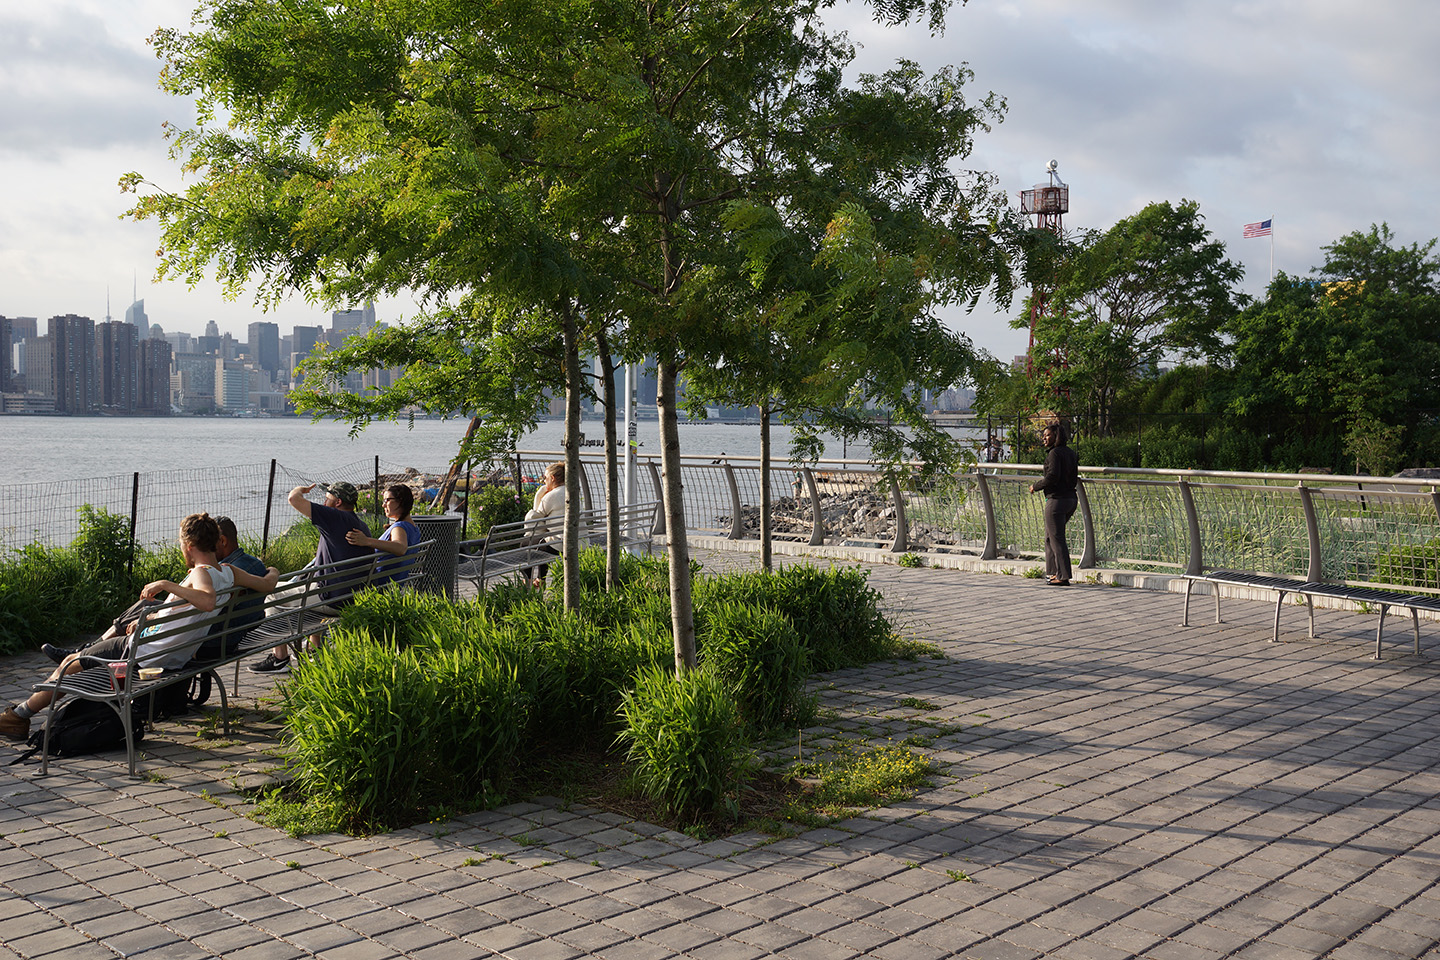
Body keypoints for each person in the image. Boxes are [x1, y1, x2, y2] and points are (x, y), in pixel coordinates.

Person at [0, 513, 237, 742]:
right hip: (173, 656)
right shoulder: (229, 571)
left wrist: (166, 584)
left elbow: (207, 601)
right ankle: (22, 712)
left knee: (69, 665)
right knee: (80, 656)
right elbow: (268, 582)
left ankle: (17, 717)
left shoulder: (199, 573)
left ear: (188, 545)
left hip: (144, 654)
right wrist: (273, 572)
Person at [248, 480, 371, 675]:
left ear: (337, 502)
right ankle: (315, 647)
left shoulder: (335, 517)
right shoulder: (360, 524)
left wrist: (300, 490)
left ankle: (280, 658)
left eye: (327, 498)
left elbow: (293, 499)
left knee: (270, 593)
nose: (324, 502)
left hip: (331, 599)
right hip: (350, 596)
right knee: (312, 584)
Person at [1029, 421, 1080, 586]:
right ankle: (1052, 572)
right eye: (1043, 435)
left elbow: (1052, 477)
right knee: (1050, 538)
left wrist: (1035, 487)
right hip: (1071, 499)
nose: (1044, 438)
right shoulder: (1070, 453)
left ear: (1056, 436)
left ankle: (1063, 576)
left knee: (1056, 538)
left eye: (1047, 435)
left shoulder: (1054, 454)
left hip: (1057, 500)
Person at [346, 484, 421, 586]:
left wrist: (366, 541)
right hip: (396, 583)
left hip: (378, 585)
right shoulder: (413, 528)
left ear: (401, 501)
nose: (383, 505)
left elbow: (401, 548)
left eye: (387, 500)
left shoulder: (399, 527)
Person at [522, 462, 565, 589]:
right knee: (543, 542)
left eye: (544, 478)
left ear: (552, 478)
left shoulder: (551, 496)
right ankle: (540, 579)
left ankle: (527, 580)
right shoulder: (573, 491)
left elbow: (533, 522)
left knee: (527, 542)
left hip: (562, 544)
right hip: (580, 541)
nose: (543, 481)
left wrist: (538, 497)